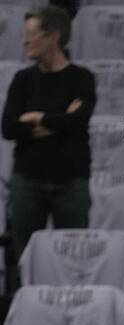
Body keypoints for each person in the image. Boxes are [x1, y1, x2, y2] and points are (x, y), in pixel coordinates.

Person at [1, 6, 96, 273]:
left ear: (53, 37)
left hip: (71, 181)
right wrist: (58, 120)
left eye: (32, 34)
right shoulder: (23, 80)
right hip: (27, 180)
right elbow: (8, 128)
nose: (24, 40)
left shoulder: (82, 79)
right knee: (25, 261)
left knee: (74, 258)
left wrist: (35, 117)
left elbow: (77, 122)